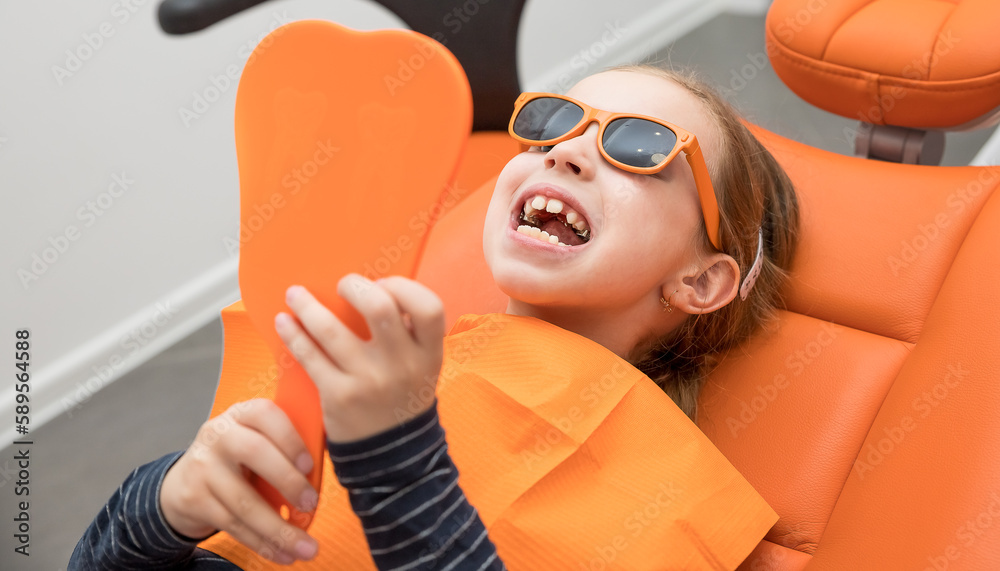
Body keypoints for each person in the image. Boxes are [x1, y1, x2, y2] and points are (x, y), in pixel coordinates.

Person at [69, 63, 798, 570]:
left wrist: (395, 451)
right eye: (556, 121)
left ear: (701, 279)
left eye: (639, 147)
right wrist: (163, 502)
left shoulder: (658, 492)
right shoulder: (372, 356)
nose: (568, 152)